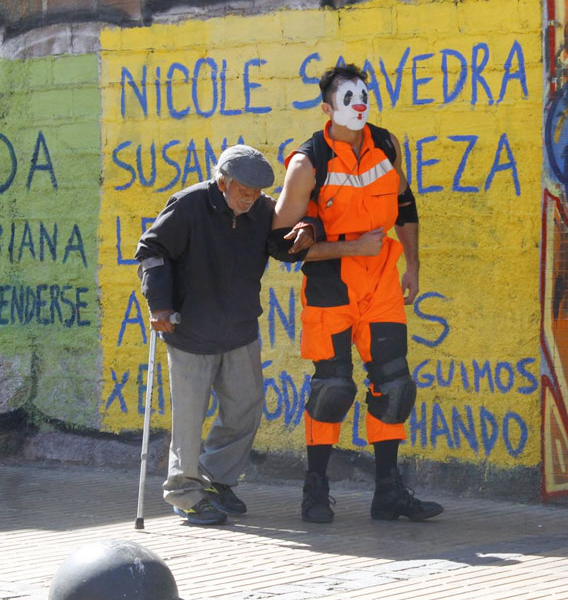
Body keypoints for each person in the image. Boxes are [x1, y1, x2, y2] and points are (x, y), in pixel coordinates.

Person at [272, 63, 444, 523]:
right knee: (333, 387)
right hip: (331, 287)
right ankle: (316, 489)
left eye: (363, 95)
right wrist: (351, 246)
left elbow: (405, 204)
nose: (359, 103)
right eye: (348, 98)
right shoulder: (308, 164)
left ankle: (388, 492)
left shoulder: (386, 145)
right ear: (328, 108)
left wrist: (413, 264)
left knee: (395, 385)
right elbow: (279, 245)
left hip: (383, 282)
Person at [135, 144, 315, 525]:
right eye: (244, 192)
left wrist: (306, 234)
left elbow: (279, 248)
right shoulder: (188, 205)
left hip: (239, 329)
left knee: (245, 407)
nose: (251, 200)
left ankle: (216, 480)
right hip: (191, 331)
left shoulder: (263, 211)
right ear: (222, 183)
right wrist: (159, 304)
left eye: (257, 193)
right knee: (189, 418)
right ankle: (184, 493)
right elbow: (151, 251)